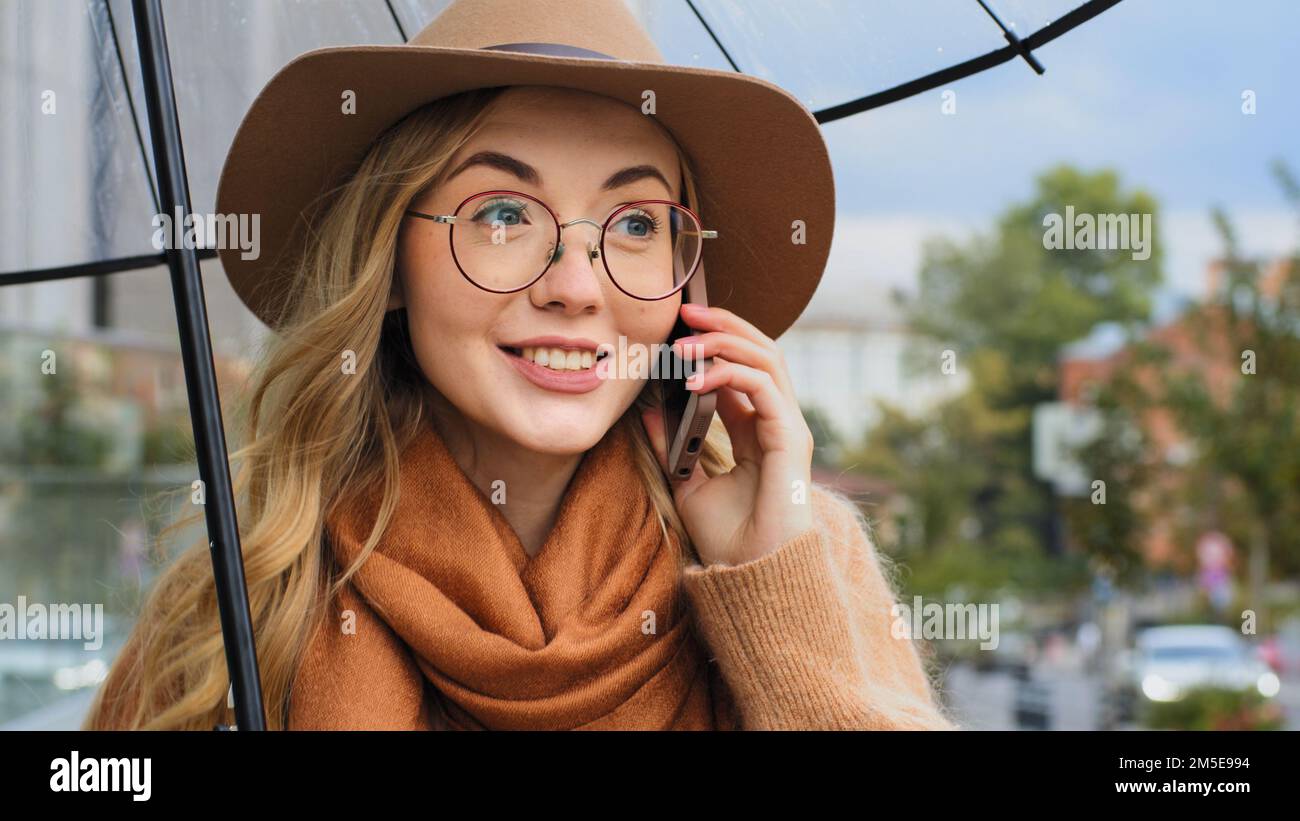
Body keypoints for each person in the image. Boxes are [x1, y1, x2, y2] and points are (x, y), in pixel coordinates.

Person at [84, 0, 955, 731]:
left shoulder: (801, 551)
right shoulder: (243, 596)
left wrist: (774, 601)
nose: (576, 286)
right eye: (504, 214)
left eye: (638, 223)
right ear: (389, 264)